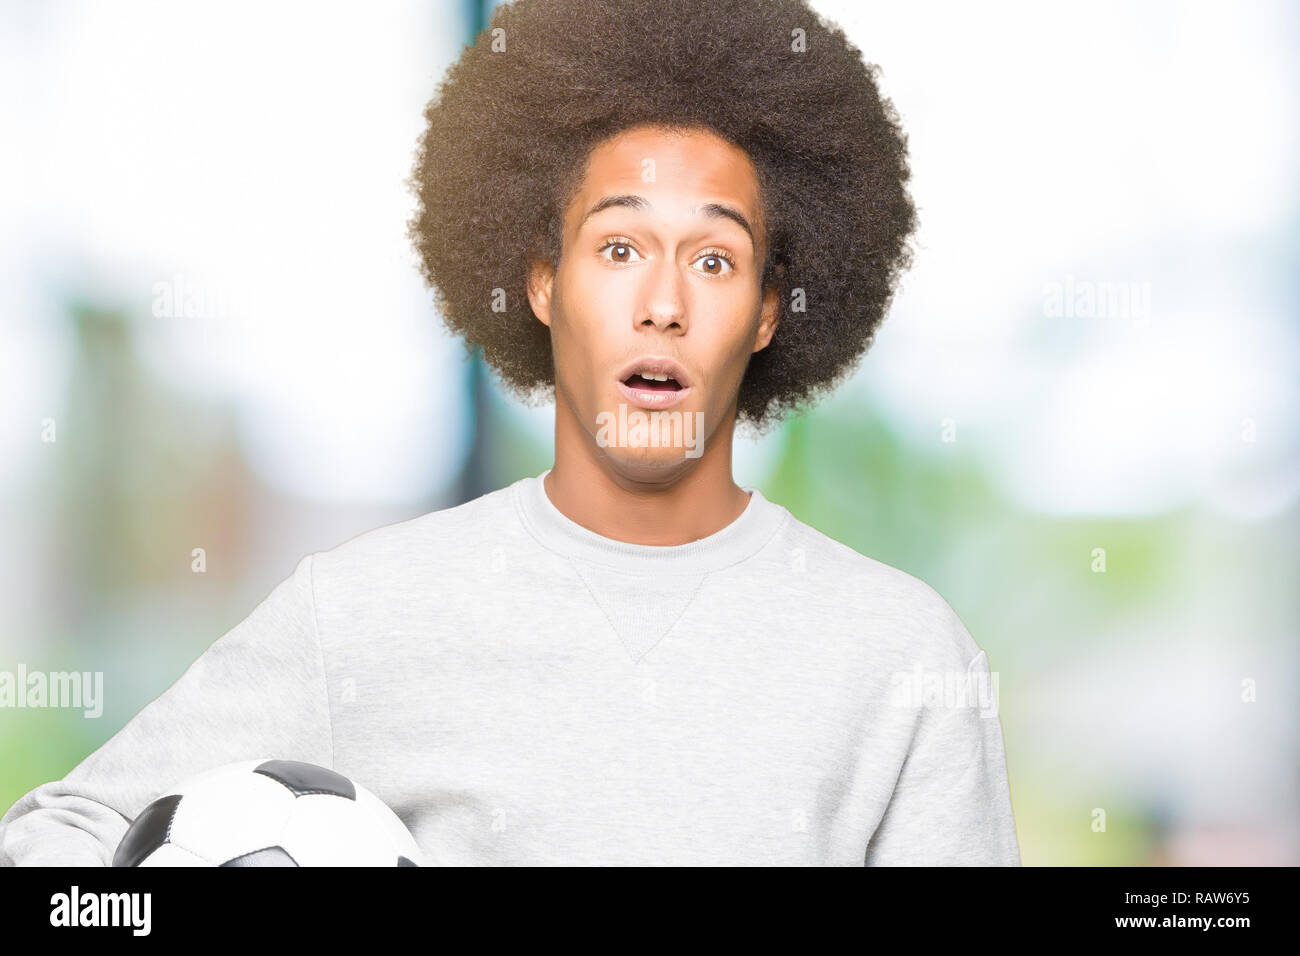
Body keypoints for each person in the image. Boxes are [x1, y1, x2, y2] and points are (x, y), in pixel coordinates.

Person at [0, 0, 1019, 865]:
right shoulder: (362, 612)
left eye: (713, 260)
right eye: (618, 247)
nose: (662, 304)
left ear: (765, 310)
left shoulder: (904, 656)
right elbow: (57, 833)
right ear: (540, 280)